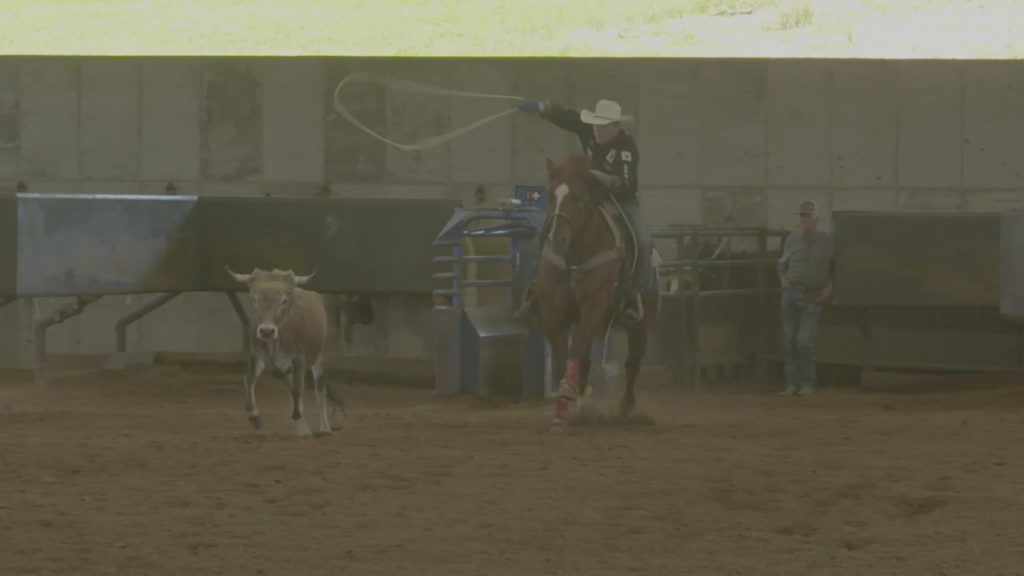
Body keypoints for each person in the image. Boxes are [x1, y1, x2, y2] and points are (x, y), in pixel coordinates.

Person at [513, 98, 651, 323]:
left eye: (604, 126)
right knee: (547, 231)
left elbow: (628, 184)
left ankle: (633, 294)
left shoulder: (626, 148)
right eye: (596, 125)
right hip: (587, 196)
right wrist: (542, 108)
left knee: (643, 241)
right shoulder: (589, 129)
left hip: (621, 200)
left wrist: (602, 177)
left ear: (616, 127)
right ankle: (535, 292)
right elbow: (566, 117)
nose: (597, 130)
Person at [776, 200, 834, 396]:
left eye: (808, 215)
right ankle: (792, 383)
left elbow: (836, 268)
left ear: (816, 218)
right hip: (791, 293)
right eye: (802, 216)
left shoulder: (828, 241)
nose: (805, 219)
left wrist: (828, 287)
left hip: (812, 295)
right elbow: (782, 264)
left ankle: (807, 383)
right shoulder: (791, 240)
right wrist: (784, 279)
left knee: (803, 341)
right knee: (789, 340)